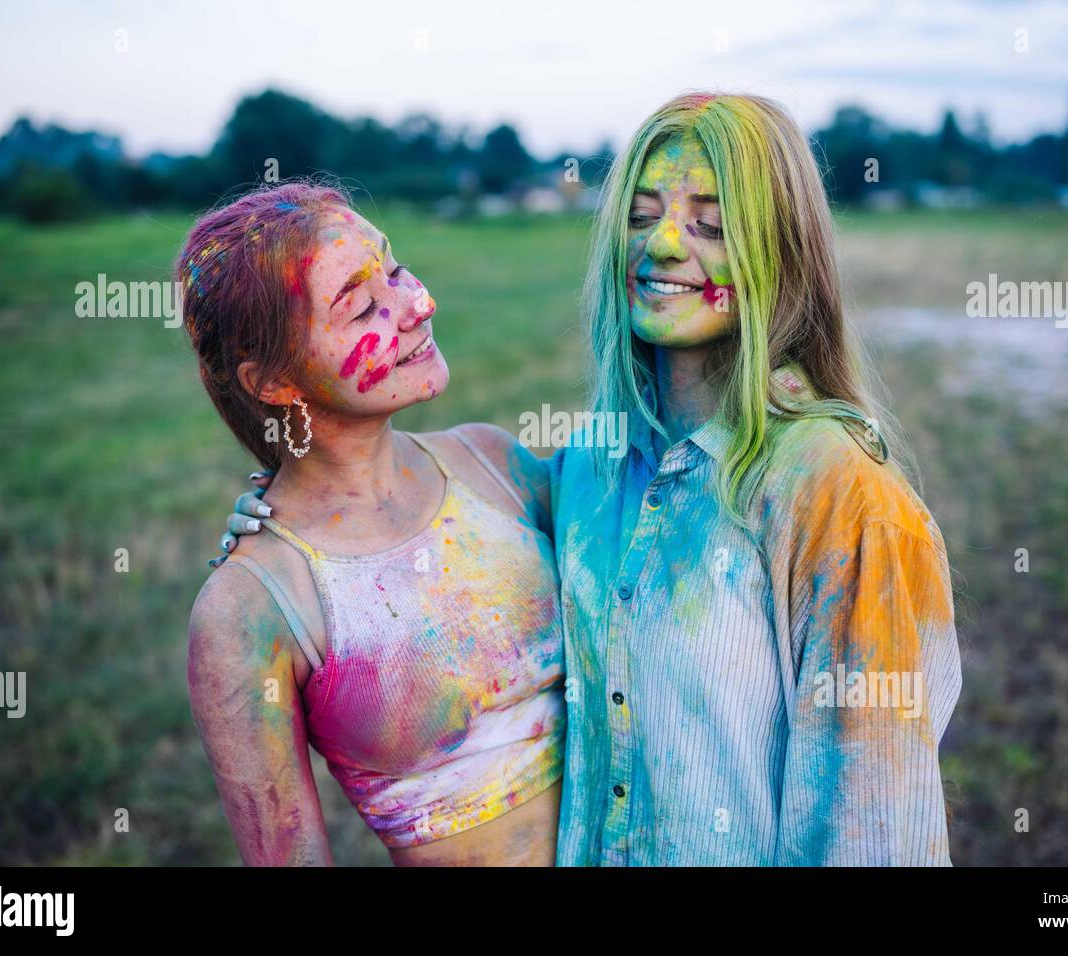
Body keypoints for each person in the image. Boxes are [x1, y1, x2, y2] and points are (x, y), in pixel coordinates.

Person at [221, 92, 962, 866]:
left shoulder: (844, 499)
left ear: (784, 252)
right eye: (642, 217)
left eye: (711, 225)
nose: (666, 244)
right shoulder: (587, 473)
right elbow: (435, 533)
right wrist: (290, 506)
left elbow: (876, 836)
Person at [179, 182, 565, 866]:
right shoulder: (251, 607)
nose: (419, 305)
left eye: (394, 270)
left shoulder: (495, 462)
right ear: (271, 381)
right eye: (360, 306)